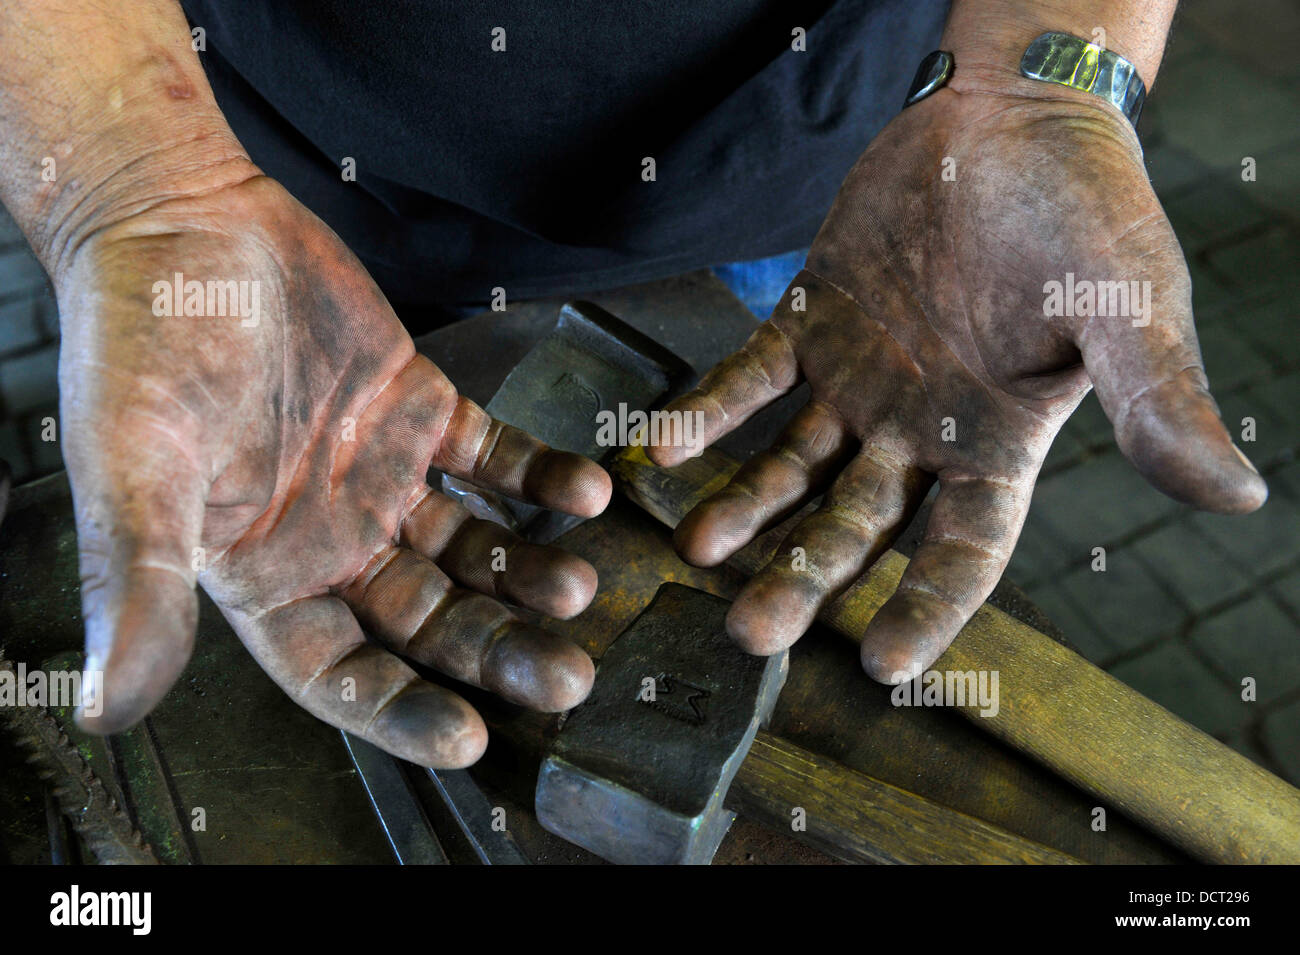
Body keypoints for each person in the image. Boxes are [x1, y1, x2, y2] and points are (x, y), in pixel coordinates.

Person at [0, 0, 1265, 768]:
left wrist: (1042, 83)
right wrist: (136, 182)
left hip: (856, 185)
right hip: (267, 167)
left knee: (740, 534)